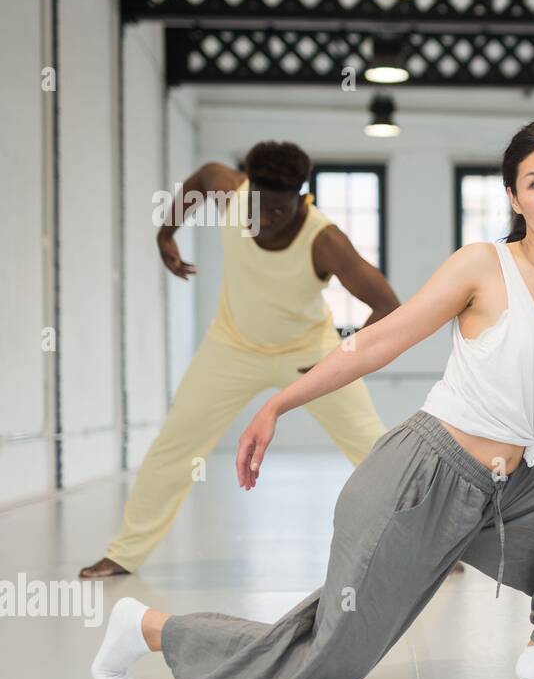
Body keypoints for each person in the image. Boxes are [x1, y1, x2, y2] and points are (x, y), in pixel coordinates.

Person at [90, 120, 534, 679]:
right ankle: (145, 628)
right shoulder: (483, 266)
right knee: (323, 664)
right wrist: (280, 402)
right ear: (515, 198)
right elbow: (377, 340)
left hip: (508, 491)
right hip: (421, 481)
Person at [81, 142, 397, 578]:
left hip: (308, 353)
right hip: (231, 347)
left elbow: (387, 306)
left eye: (277, 212)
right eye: (256, 207)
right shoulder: (226, 187)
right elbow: (198, 182)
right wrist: (165, 234)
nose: (262, 220)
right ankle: (124, 553)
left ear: (301, 200)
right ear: (247, 188)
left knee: (373, 447)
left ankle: (433, 546)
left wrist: (339, 359)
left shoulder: (324, 240)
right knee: (176, 443)